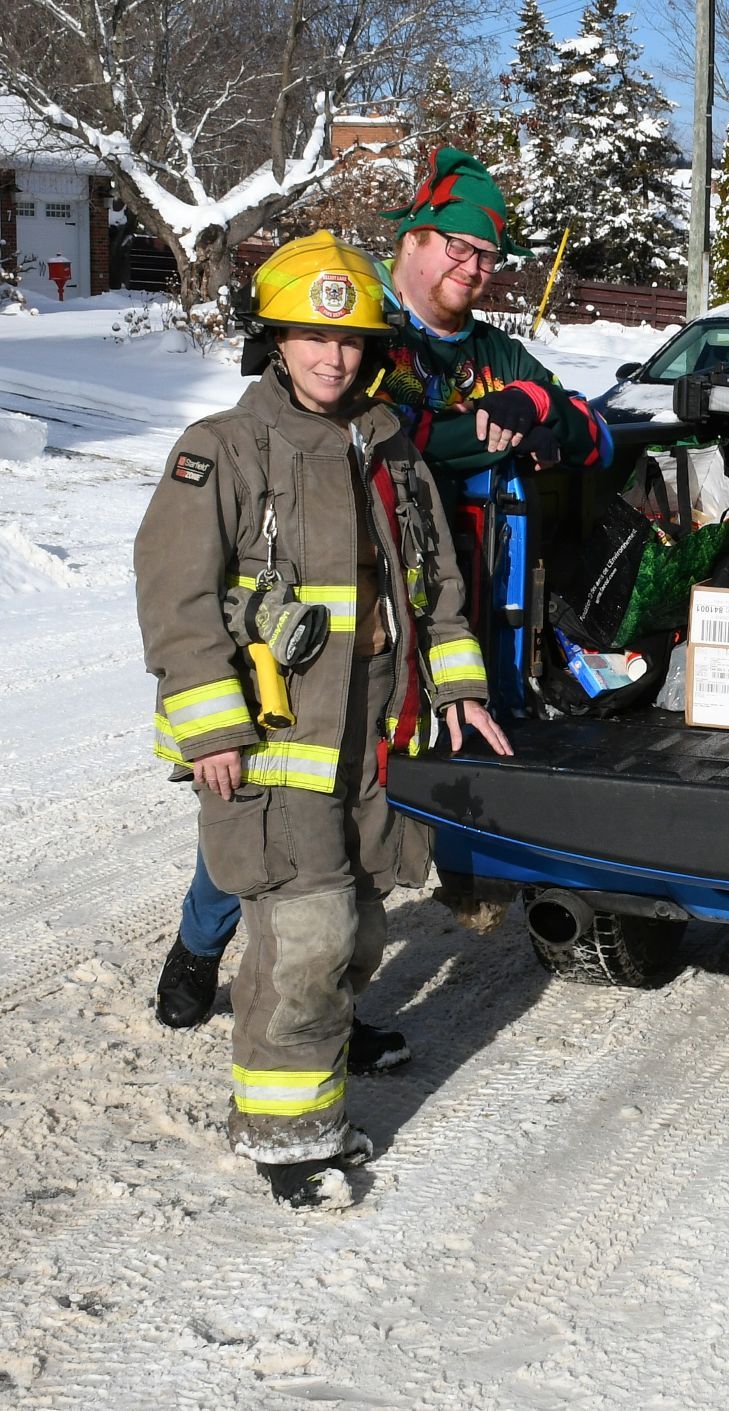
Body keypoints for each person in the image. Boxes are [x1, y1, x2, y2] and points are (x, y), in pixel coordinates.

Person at [152, 147, 612, 1030]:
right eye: (457, 247)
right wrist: (496, 434)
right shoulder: (355, 317)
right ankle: (200, 946)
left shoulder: (493, 350)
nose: (472, 269)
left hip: (450, 609)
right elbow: (403, 438)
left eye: (488, 256)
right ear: (415, 236)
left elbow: (598, 437)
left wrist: (542, 410)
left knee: (369, 816)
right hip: (327, 619)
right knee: (276, 807)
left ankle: (332, 1000)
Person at [135, 231, 512, 1209]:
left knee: (354, 937)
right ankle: (288, 1137)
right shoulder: (220, 450)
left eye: (349, 342)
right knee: (304, 940)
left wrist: (462, 689)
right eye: (311, 337)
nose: (332, 358)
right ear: (276, 341)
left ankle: (325, 1047)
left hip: (373, 752)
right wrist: (213, 728)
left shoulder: (391, 451)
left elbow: (436, 595)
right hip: (271, 750)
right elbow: (177, 598)